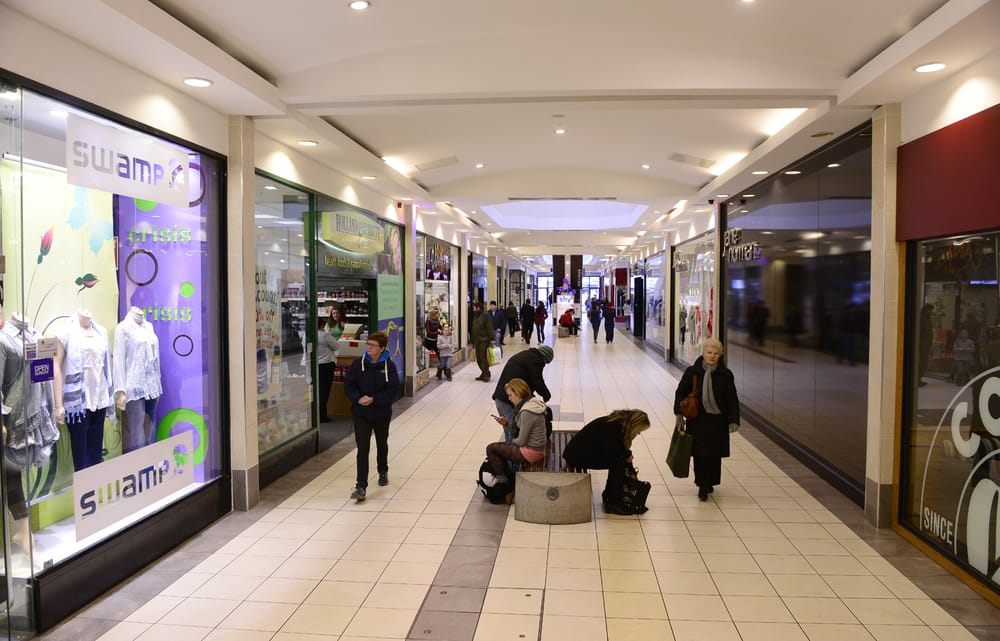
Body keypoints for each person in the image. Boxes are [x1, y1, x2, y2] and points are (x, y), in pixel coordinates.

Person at [673, 338, 740, 501]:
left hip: (718, 421)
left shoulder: (726, 375)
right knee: (700, 454)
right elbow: (680, 392)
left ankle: (710, 482)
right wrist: (679, 415)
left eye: (716, 353)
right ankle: (702, 485)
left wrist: (734, 419)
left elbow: (732, 398)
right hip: (698, 419)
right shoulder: (692, 372)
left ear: (721, 355)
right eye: (709, 352)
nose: (712, 356)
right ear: (702, 353)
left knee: (714, 455)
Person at [54, 308, 113, 471]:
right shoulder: (65, 333)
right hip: (78, 403)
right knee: (81, 455)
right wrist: (59, 405)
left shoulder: (101, 332)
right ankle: (83, 493)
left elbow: (105, 364)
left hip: (99, 398)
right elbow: (56, 366)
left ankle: (95, 491)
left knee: (96, 449)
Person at [344, 331, 400, 502]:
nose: (369, 348)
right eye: (368, 344)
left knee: (382, 443)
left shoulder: (389, 366)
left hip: (381, 412)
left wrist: (375, 399)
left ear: (382, 348)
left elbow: (393, 390)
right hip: (362, 412)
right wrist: (358, 398)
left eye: (373, 345)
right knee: (362, 449)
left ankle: (383, 470)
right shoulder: (358, 364)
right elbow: (349, 385)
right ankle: (361, 486)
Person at [562, 410, 651, 515]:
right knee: (618, 463)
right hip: (576, 456)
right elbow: (613, 452)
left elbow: (618, 448)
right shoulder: (615, 427)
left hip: (579, 451)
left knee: (620, 460)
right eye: (639, 430)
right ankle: (612, 502)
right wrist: (626, 461)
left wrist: (630, 467)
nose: (639, 433)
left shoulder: (618, 422)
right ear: (635, 424)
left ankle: (609, 496)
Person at [114, 306, 162, 453]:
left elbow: (155, 357)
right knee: (137, 427)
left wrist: (157, 382)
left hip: (152, 385)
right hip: (134, 386)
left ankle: (152, 463)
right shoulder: (123, 328)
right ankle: (141, 467)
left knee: (151, 422)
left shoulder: (149, 326)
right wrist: (120, 391)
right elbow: (118, 358)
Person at [484, 378, 547, 487]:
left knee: (491, 449)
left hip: (532, 452)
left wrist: (510, 442)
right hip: (536, 449)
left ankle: (504, 483)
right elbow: (519, 430)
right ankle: (506, 478)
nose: (509, 399)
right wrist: (506, 424)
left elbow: (521, 441)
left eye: (510, 395)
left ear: (518, 393)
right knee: (501, 449)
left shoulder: (527, 411)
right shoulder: (531, 403)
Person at [492, 345, 554, 440]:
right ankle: (512, 451)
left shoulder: (527, 355)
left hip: (501, 396)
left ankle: (509, 448)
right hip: (508, 399)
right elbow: (537, 382)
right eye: (546, 362)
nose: (545, 364)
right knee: (514, 431)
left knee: (509, 429)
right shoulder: (536, 360)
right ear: (544, 357)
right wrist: (546, 395)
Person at [316, 316, 339, 422]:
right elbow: (336, 346)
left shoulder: (307, 335)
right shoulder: (324, 335)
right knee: (324, 391)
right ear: (321, 325)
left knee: (315, 390)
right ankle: (322, 415)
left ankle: (315, 414)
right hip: (326, 365)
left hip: (313, 365)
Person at [472, 301, 493, 381]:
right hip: (477, 340)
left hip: (484, 340)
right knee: (478, 358)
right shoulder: (476, 316)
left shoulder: (485, 315)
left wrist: (492, 339)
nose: (473, 309)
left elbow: (489, 327)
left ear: (478, 308)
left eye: (474, 307)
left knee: (483, 357)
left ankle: (486, 374)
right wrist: (473, 341)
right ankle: (484, 372)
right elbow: (474, 329)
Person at [918, 303, 933, 387]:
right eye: (930, 310)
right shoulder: (923, 319)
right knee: (922, 361)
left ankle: (919, 378)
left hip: (925, 343)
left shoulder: (926, 318)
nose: (931, 312)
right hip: (923, 343)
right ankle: (918, 378)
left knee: (923, 361)